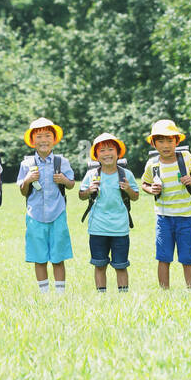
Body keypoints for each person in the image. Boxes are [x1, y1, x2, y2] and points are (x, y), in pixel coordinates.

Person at [140, 119, 191, 289]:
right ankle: (164, 292)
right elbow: (144, 184)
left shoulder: (185, 157)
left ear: (177, 141)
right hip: (164, 218)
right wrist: (151, 189)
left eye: (169, 140)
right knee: (163, 257)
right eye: (160, 141)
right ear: (153, 143)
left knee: (188, 258)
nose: (165, 145)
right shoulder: (153, 164)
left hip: (186, 217)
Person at [17, 117, 75, 293]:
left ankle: (60, 293)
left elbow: (71, 184)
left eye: (48, 136)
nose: (43, 140)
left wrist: (64, 180)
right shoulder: (26, 164)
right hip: (35, 215)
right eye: (39, 136)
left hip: (57, 213)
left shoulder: (61, 162)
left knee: (58, 256)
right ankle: (44, 293)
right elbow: (23, 190)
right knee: (39, 257)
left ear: (54, 139)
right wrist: (27, 180)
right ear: (32, 141)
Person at [79, 133, 139, 292]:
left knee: (121, 265)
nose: (107, 153)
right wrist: (89, 191)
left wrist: (128, 189)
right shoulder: (92, 175)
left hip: (120, 228)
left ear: (118, 153)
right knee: (99, 264)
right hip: (98, 227)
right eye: (102, 151)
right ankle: (101, 295)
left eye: (110, 149)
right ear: (96, 156)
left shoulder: (126, 175)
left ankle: (123, 295)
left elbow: (135, 197)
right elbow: (81, 194)